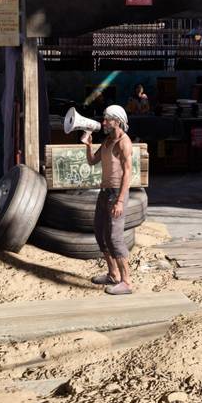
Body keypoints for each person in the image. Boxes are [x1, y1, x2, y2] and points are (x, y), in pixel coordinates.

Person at [82, 105, 134, 295]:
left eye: (107, 119)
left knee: (114, 237)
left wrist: (120, 201)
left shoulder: (124, 143)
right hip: (104, 192)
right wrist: (88, 145)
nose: (103, 122)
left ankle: (126, 282)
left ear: (117, 121)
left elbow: (128, 173)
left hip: (116, 193)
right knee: (100, 233)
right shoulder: (107, 140)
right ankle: (113, 274)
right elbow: (92, 161)